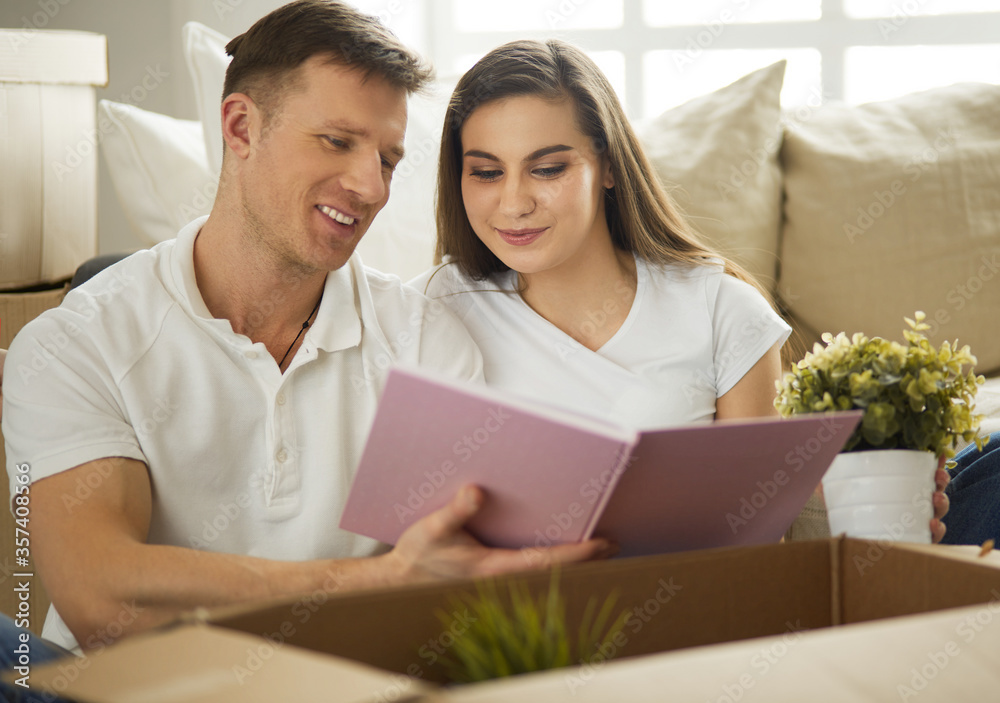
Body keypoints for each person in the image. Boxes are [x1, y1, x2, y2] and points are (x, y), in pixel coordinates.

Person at [0, 2, 611, 676]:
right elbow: (103, 600)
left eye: (387, 157)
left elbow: (449, 586)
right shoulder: (74, 343)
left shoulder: (427, 339)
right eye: (337, 141)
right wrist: (381, 581)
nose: (370, 185)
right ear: (240, 127)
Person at [411, 39, 952, 541]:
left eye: (548, 168)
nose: (513, 203)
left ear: (607, 166)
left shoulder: (721, 309)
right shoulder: (434, 309)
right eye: (484, 172)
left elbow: (756, 537)